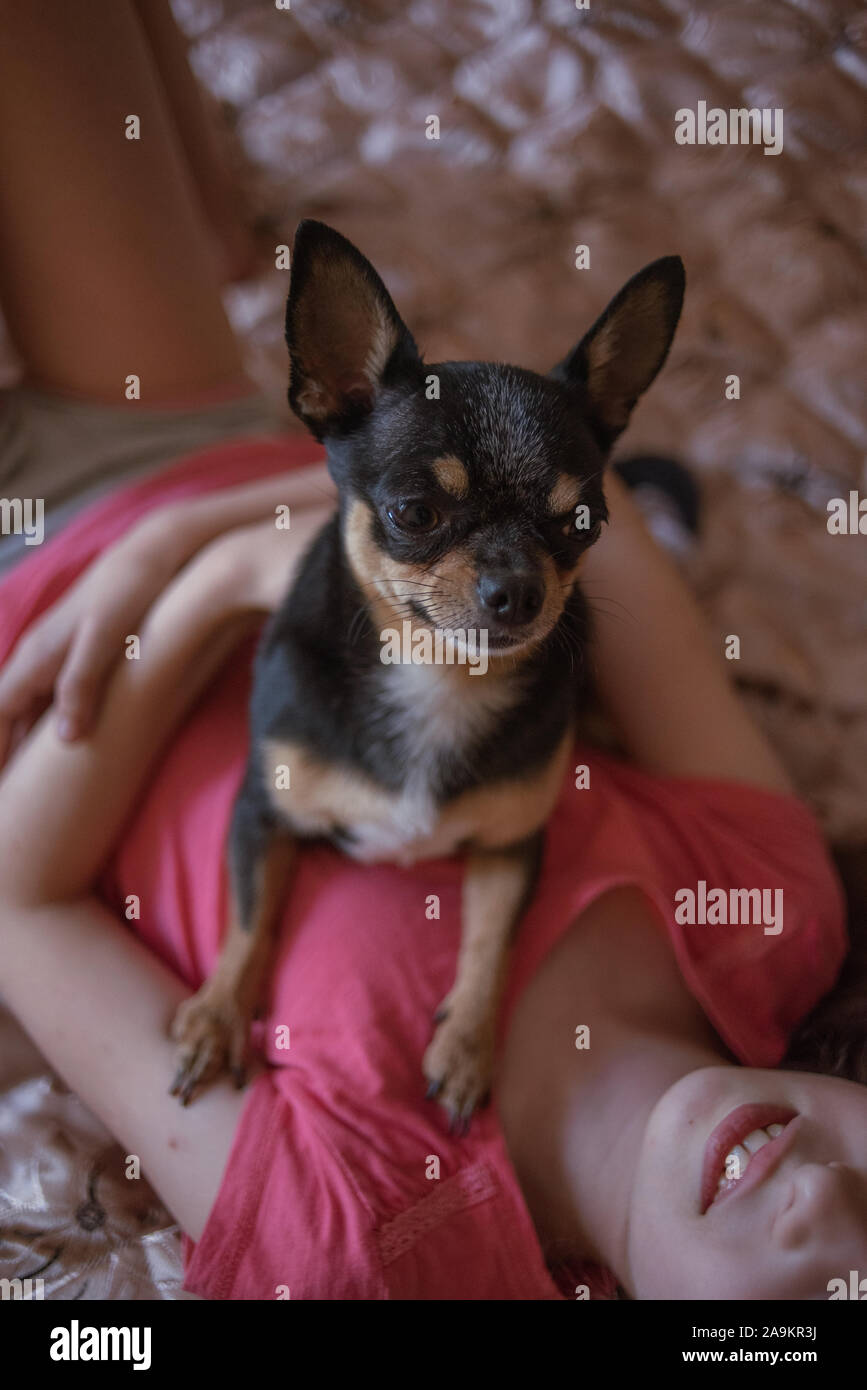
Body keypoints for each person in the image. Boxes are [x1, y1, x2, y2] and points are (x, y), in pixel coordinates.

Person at [0, 0, 863, 1302]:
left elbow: (18, 904)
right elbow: (602, 526)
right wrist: (238, 542)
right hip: (197, 446)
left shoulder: (359, 1252)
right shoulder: (769, 913)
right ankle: (208, 199)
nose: (824, 1198)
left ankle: (195, 185)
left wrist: (195, 602)